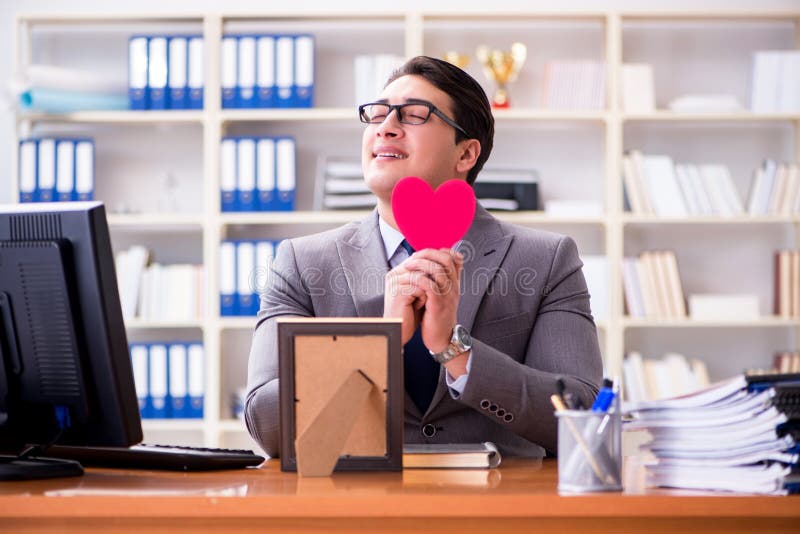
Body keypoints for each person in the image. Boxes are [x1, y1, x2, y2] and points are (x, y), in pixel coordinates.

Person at [245, 56, 602, 459]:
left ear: (466, 154)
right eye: (377, 114)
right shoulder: (301, 263)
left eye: (414, 115)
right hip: (354, 513)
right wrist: (379, 344)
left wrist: (456, 350)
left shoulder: (546, 260)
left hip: (497, 512)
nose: (385, 127)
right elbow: (267, 426)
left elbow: (583, 418)